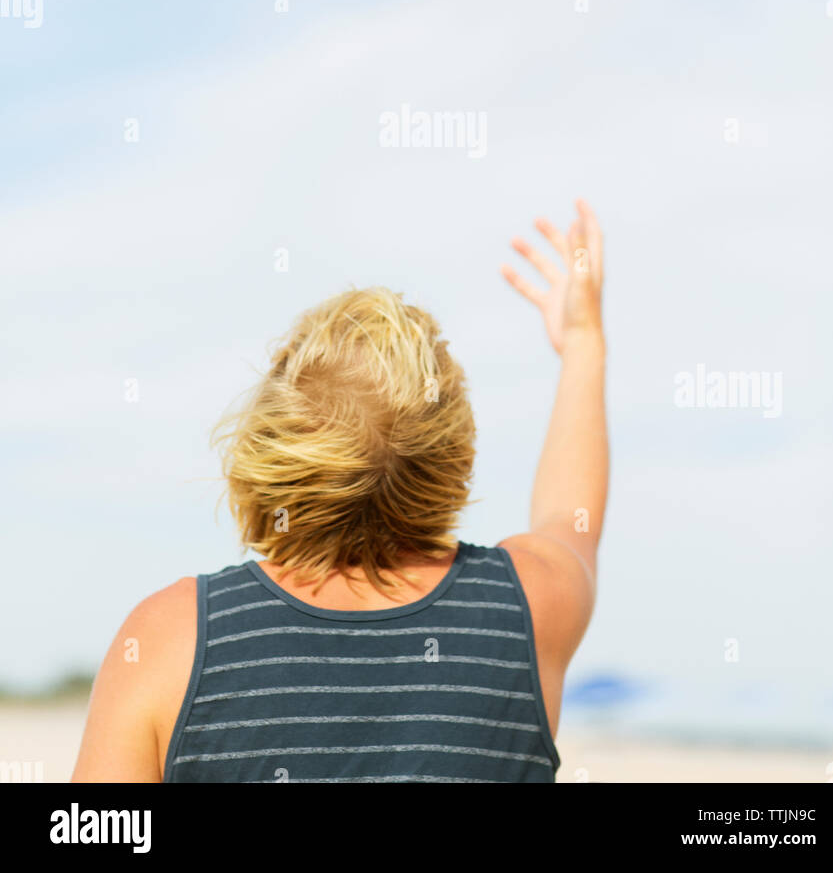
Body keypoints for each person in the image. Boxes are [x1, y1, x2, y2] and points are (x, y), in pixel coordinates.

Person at [72, 198, 607, 784]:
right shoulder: (523, 606)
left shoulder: (170, 639)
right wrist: (583, 345)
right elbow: (570, 518)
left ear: (270, 443)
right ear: (453, 451)